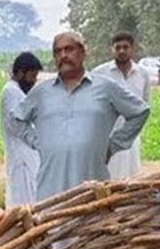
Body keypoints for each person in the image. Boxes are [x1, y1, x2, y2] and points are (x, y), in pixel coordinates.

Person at [14, 30, 151, 202]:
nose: (63, 55)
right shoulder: (41, 92)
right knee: (50, 227)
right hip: (50, 192)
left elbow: (140, 111)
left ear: (83, 52)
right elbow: (17, 119)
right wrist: (36, 142)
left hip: (92, 189)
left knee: (93, 224)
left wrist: (113, 145)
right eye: (57, 52)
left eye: (69, 49)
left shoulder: (105, 87)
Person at [92, 32, 152, 180]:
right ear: (112, 49)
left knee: (131, 177)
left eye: (126, 47)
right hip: (107, 137)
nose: (122, 51)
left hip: (131, 136)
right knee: (107, 178)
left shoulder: (142, 74)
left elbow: (144, 104)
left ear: (133, 49)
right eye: (117, 47)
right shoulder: (100, 73)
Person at [0, 52, 44, 207]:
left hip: (28, 154)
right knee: (23, 199)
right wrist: (38, 142)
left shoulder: (18, 91)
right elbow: (16, 124)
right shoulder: (11, 92)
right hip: (20, 155)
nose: (33, 81)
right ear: (19, 73)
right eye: (31, 76)